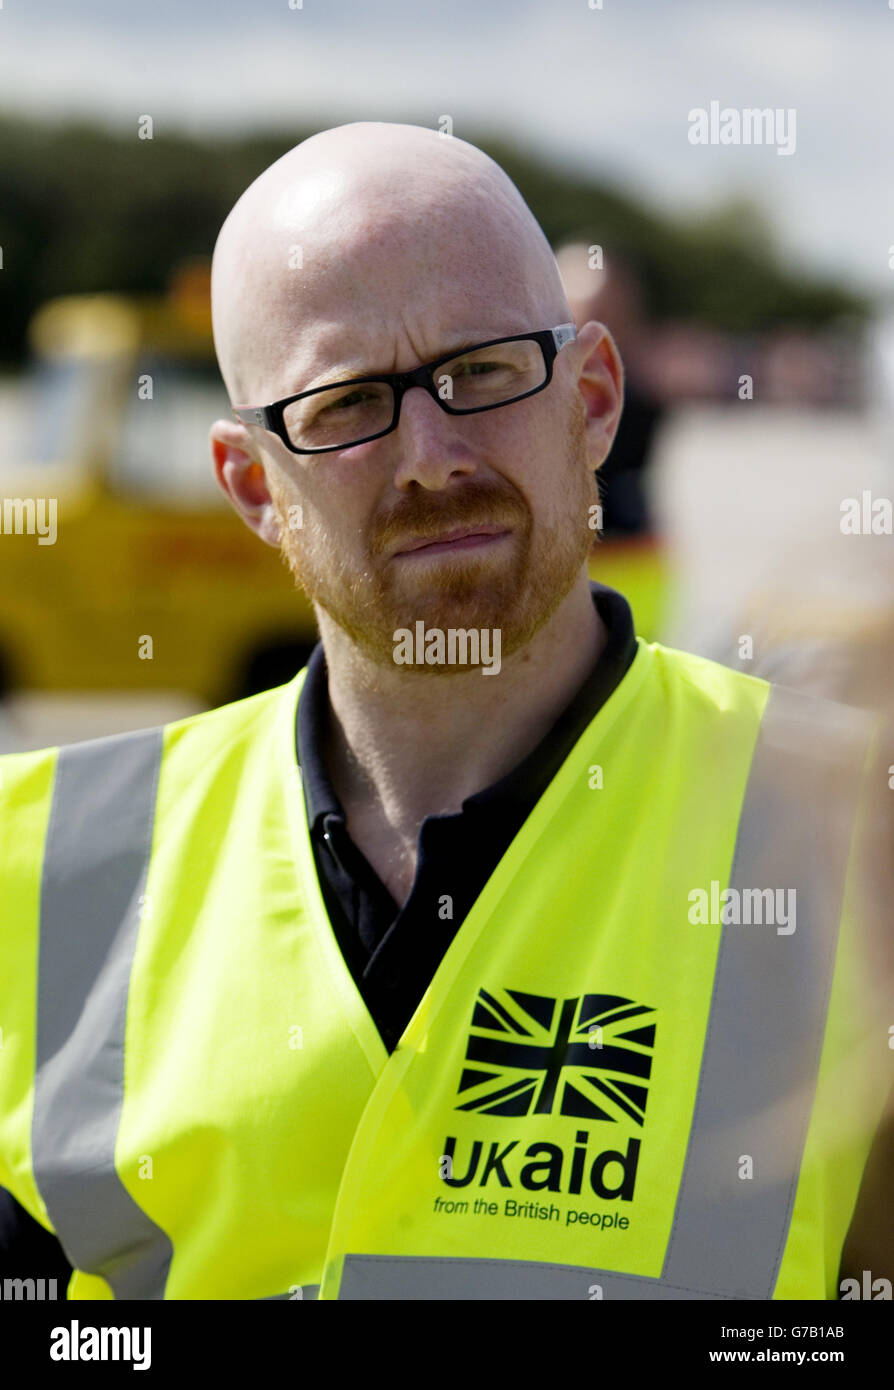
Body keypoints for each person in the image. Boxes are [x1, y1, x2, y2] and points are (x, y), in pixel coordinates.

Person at [0, 122, 890, 1301]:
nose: (430, 454)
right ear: (256, 485)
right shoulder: (41, 864)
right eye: (347, 402)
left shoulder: (844, 831)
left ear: (594, 397)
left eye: (481, 372)